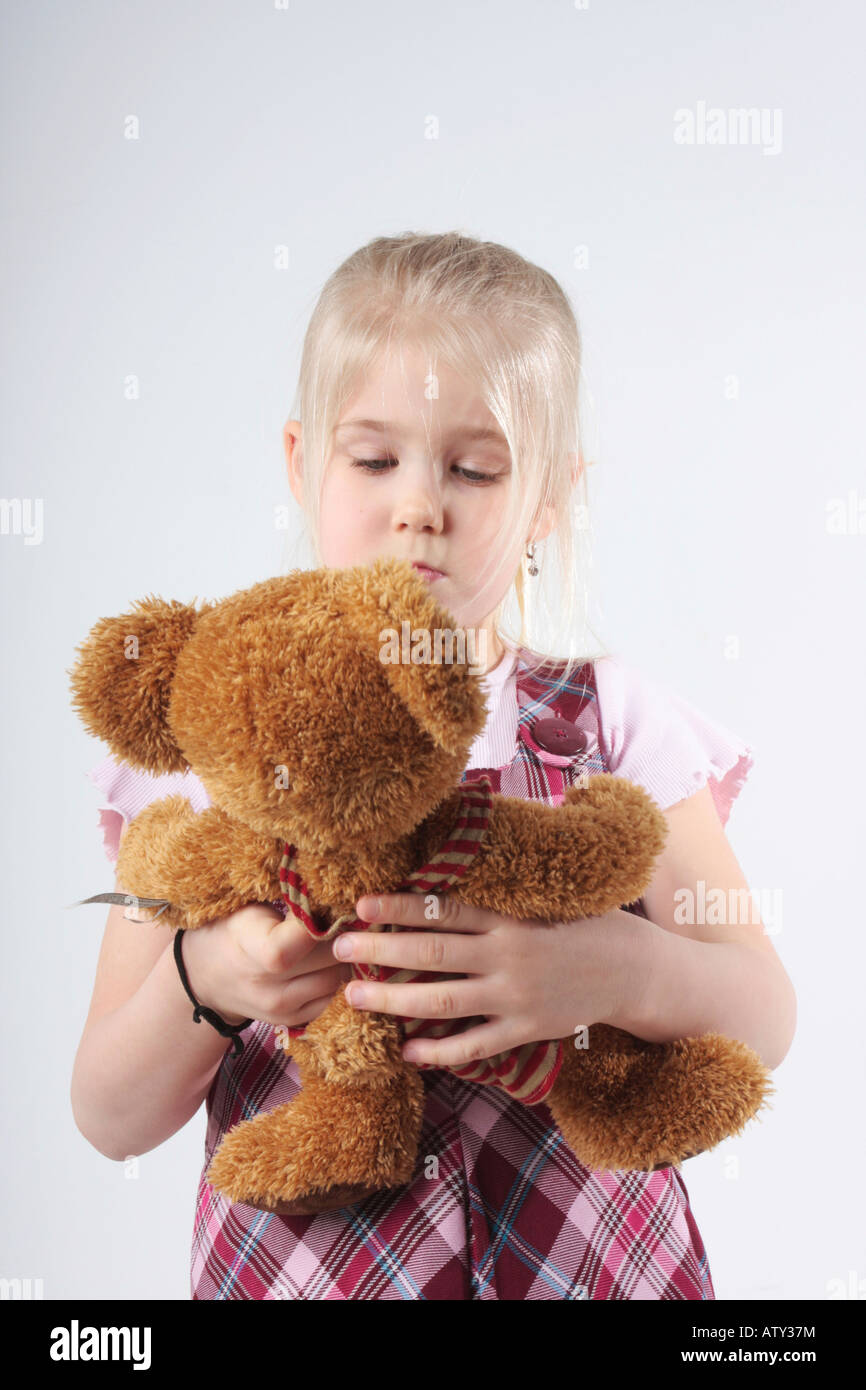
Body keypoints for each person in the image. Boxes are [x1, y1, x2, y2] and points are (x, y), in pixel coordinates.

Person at [71, 231, 797, 1300]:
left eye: (474, 467)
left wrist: (616, 972)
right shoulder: (213, 747)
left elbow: (762, 1013)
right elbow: (107, 1113)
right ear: (299, 463)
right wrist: (209, 978)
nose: (419, 503)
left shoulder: (609, 721)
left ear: (548, 496)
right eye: (373, 459)